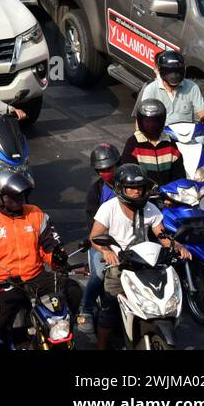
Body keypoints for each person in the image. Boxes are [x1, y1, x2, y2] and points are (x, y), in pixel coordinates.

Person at [0, 169, 73, 350]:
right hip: (4, 284)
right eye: (14, 196)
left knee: (74, 290)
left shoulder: (36, 214)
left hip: (37, 277)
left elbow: (50, 245)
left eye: (22, 195)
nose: (20, 200)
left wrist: (58, 258)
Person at [90, 163, 191, 350]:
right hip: (119, 263)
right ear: (121, 188)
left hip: (145, 261)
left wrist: (177, 245)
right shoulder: (109, 208)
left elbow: (162, 236)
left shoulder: (150, 208)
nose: (136, 192)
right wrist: (106, 251)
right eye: (131, 188)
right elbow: (94, 237)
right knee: (110, 309)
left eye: (140, 188)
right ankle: (101, 347)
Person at [78, 142, 120, 334]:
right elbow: (94, 232)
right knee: (100, 272)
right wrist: (105, 249)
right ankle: (85, 308)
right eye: (102, 170)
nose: (107, 172)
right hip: (105, 243)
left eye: (110, 168)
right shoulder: (95, 193)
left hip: (130, 240)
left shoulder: (131, 184)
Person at [135, 49, 204, 138]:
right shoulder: (151, 89)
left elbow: (203, 113)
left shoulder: (192, 87)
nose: (174, 76)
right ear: (161, 71)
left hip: (188, 138)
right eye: (170, 72)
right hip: (162, 139)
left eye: (176, 72)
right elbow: (142, 119)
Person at [118, 98, 188, 188]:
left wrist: (172, 194)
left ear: (161, 121)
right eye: (147, 121)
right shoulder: (133, 144)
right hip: (143, 196)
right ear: (140, 122)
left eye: (154, 121)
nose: (151, 125)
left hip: (168, 196)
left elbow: (179, 175)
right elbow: (129, 176)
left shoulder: (169, 144)